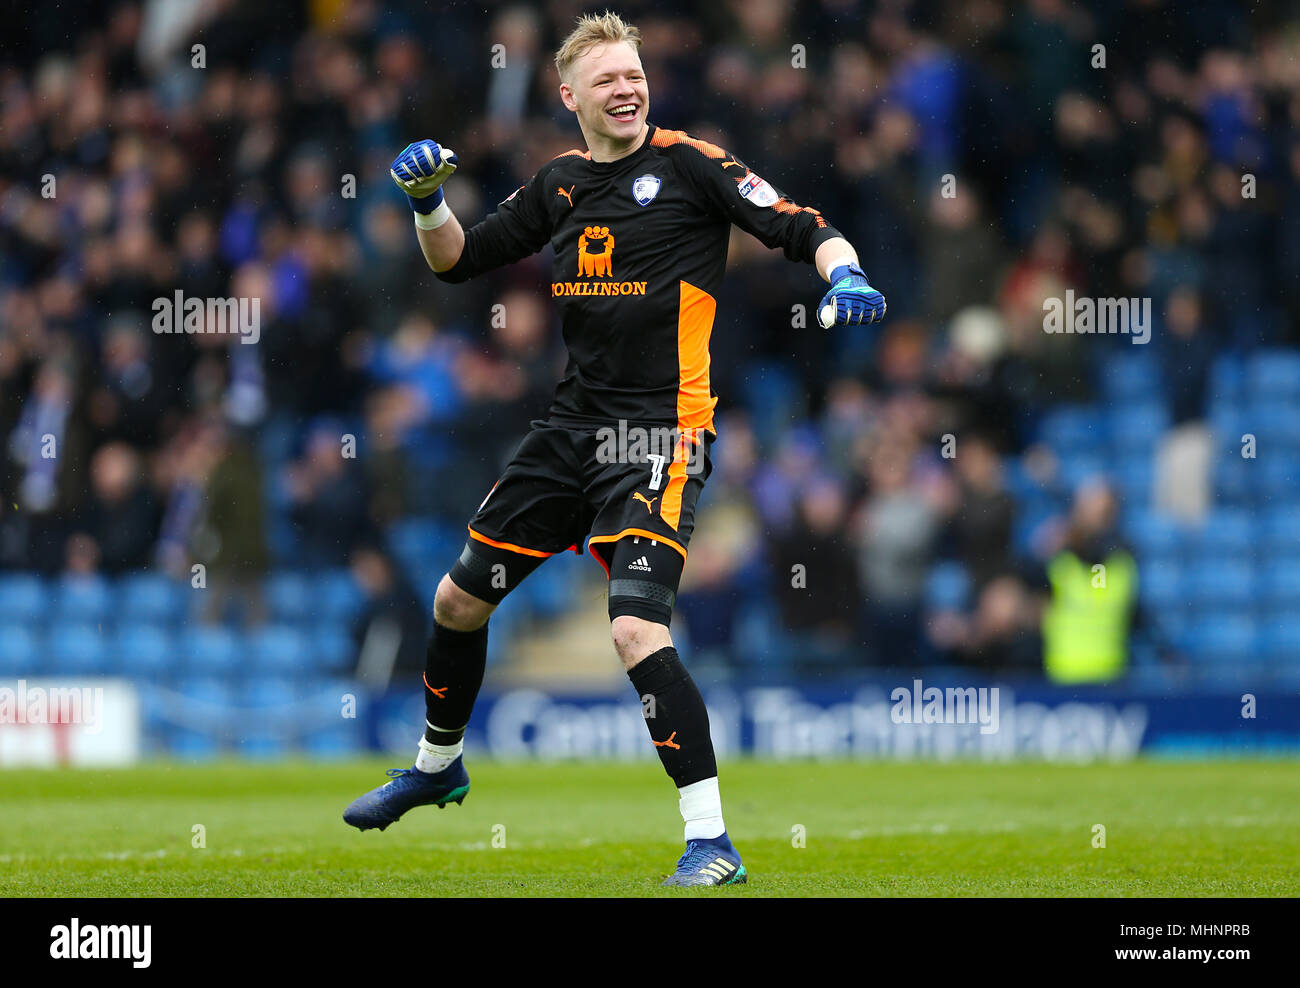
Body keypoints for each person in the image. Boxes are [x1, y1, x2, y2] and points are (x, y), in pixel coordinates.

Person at [342, 11, 887, 887]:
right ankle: (438, 768)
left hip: (664, 436)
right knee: (453, 603)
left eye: (634, 73)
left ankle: (711, 841)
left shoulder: (691, 164)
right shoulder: (558, 185)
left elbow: (799, 224)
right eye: (607, 80)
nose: (627, 88)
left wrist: (846, 274)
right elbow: (459, 261)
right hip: (570, 432)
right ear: (570, 98)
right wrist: (427, 203)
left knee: (634, 628)